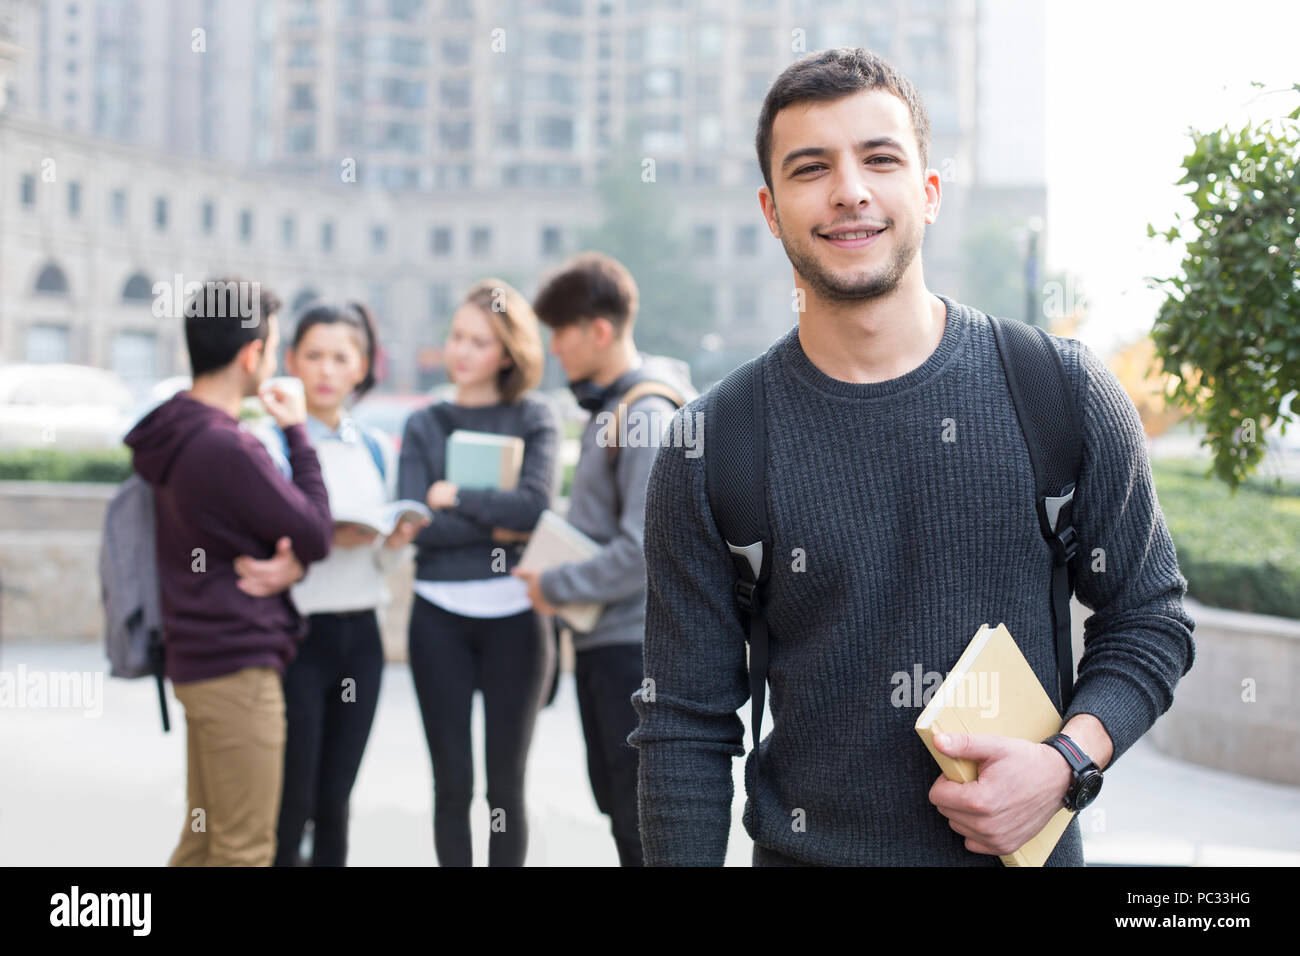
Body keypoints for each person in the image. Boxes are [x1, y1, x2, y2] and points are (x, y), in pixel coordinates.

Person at [630, 47, 1197, 866]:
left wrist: (1065, 764)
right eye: (810, 168)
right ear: (770, 210)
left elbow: (1149, 618)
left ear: (928, 192)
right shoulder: (710, 446)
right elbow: (684, 723)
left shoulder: (1059, 391)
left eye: (880, 159)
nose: (849, 190)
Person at [124, 277, 334, 866]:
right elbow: (315, 531)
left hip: (197, 658)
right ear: (251, 354)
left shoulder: (171, 429)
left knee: (204, 843)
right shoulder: (227, 446)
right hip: (236, 663)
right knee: (244, 849)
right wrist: (297, 432)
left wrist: (290, 565)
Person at [514, 252, 697, 867]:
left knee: (639, 825)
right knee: (622, 813)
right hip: (608, 647)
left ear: (598, 330)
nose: (554, 348)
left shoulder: (644, 415)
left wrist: (555, 584)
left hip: (632, 652)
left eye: (560, 333)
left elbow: (644, 551)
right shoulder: (615, 407)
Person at [252, 300, 425, 867]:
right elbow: (260, 539)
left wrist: (393, 543)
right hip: (297, 637)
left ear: (362, 367)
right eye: (314, 355)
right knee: (291, 799)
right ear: (291, 362)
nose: (326, 370)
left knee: (335, 800)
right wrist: (322, 537)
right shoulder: (269, 444)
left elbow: (384, 565)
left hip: (361, 639)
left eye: (340, 358)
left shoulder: (375, 448)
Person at [398, 279, 560, 867]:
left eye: (479, 341)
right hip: (437, 617)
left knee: (505, 789)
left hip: (516, 620)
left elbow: (534, 509)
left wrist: (456, 496)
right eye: (457, 337)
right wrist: (497, 525)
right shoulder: (425, 423)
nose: (462, 351)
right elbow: (418, 525)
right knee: (451, 785)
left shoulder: (534, 417)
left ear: (508, 354)